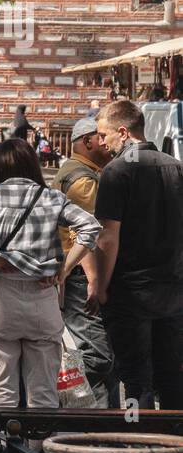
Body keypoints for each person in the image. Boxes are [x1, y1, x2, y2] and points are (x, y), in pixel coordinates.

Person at [0, 139, 100, 408]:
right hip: (42, 297)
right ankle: (38, 450)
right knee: (44, 396)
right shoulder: (52, 198)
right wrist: (64, 269)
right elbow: (90, 227)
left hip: (0, 297)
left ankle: (3, 450)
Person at [89, 100, 183, 409]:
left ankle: (136, 442)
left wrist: (100, 287)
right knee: (172, 376)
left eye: (104, 135)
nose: (100, 142)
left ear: (123, 132)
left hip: (130, 295)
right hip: (173, 291)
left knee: (136, 380)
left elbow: (107, 237)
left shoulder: (116, 172)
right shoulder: (176, 167)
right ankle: (174, 444)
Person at [54, 116, 115, 407]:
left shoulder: (77, 172)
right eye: (100, 137)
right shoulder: (82, 179)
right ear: (87, 141)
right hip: (81, 275)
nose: (105, 142)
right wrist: (94, 279)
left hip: (75, 274)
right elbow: (88, 232)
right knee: (96, 355)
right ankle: (83, 417)